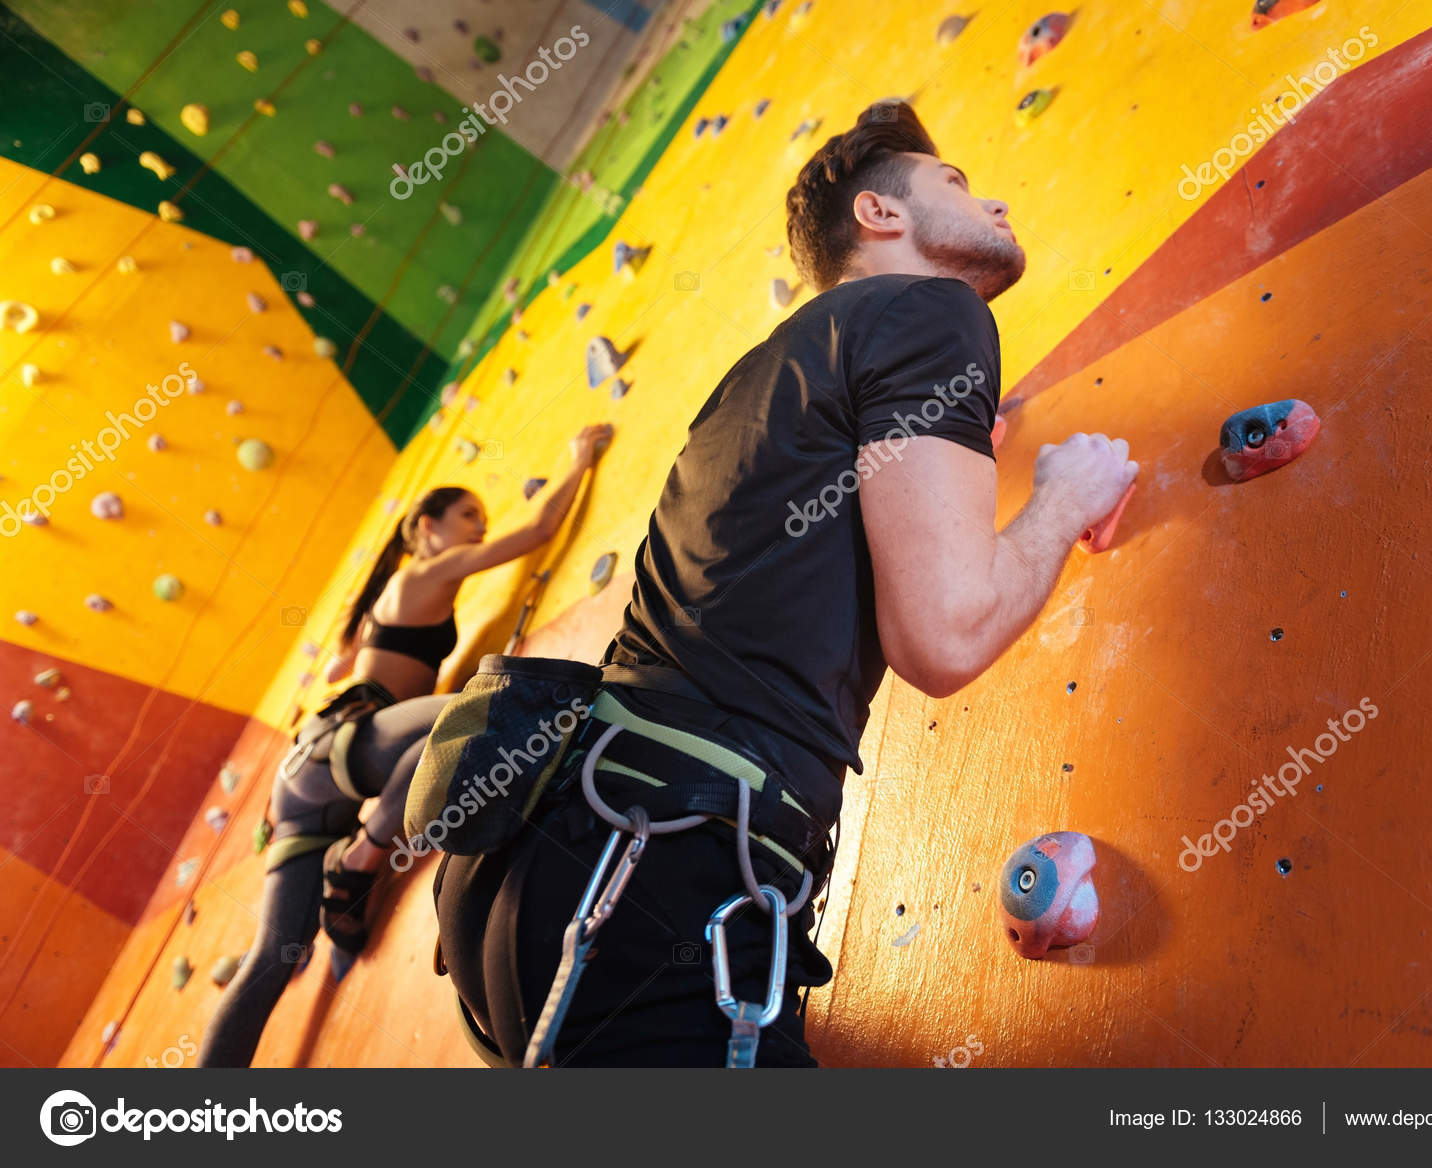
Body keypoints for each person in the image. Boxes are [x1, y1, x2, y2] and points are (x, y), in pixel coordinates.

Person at [432, 100, 1138, 1067]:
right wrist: (1062, 498)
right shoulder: (934, 311)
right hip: (658, 861)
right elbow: (945, 636)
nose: (998, 200)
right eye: (958, 185)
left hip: (551, 863)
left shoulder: (768, 371)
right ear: (881, 216)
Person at [196, 423, 612, 1067]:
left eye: (481, 515)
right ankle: (360, 857)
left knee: (275, 958)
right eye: (468, 514)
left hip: (312, 779)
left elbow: (343, 670)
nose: (478, 525)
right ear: (426, 528)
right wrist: (578, 457)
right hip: (342, 746)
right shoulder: (426, 572)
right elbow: (534, 534)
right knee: (466, 720)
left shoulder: (385, 603)